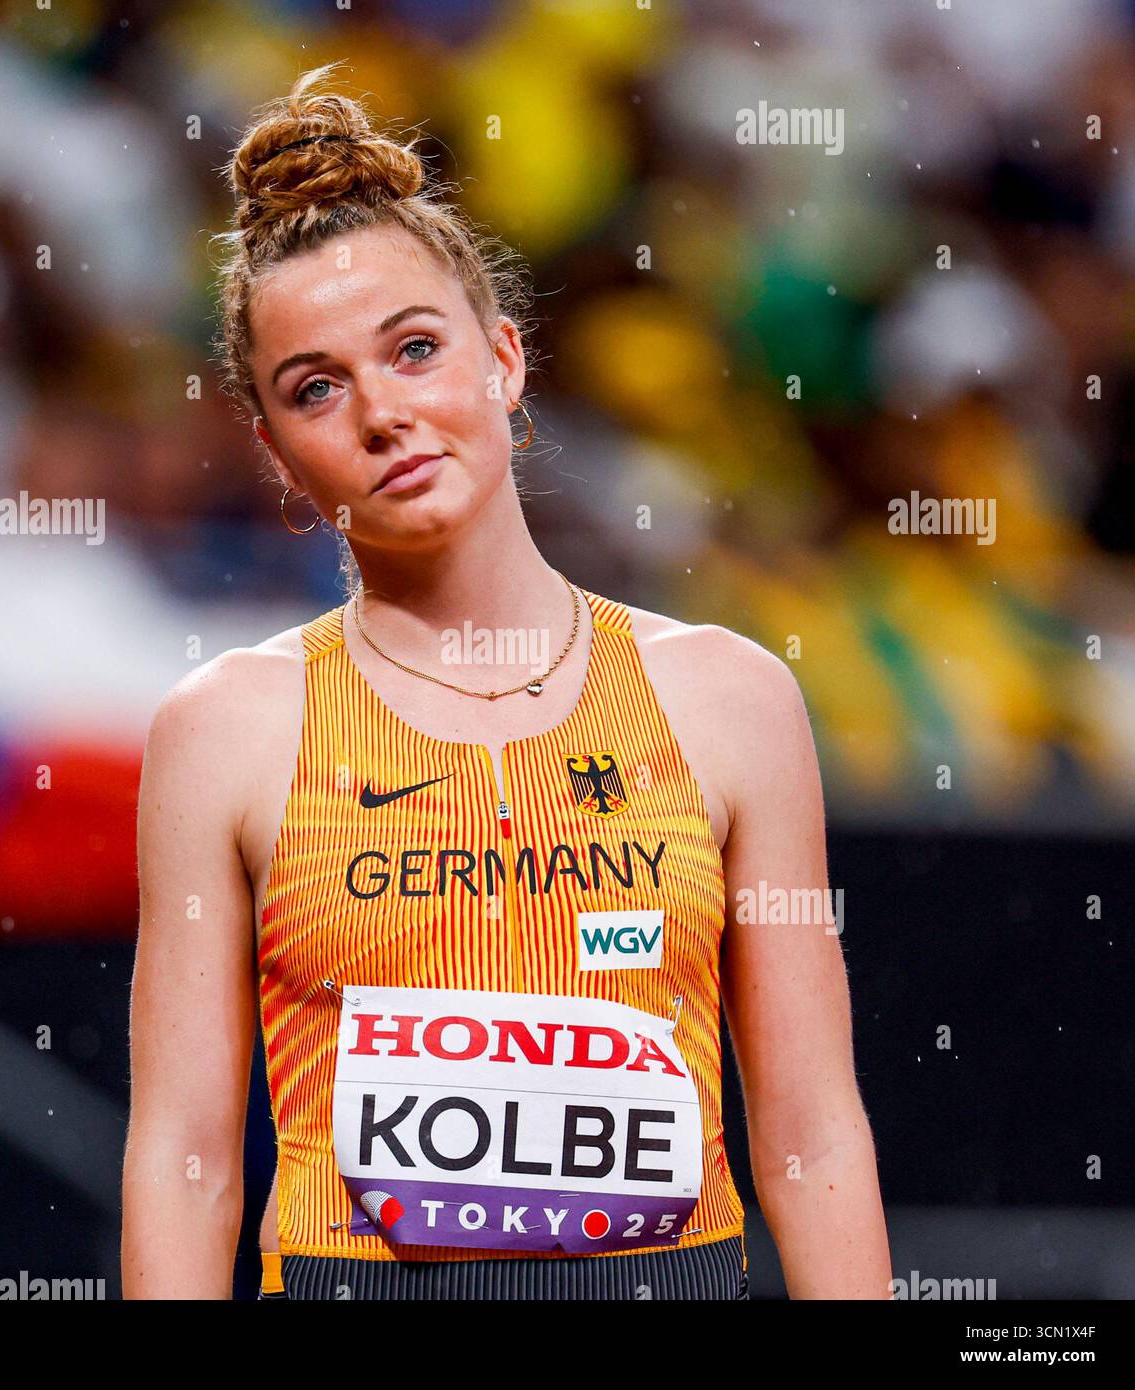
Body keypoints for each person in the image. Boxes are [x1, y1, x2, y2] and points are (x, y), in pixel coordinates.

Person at [120, 62, 892, 1300]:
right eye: (315, 386)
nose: (381, 411)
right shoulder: (225, 730)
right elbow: (186, 1162)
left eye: (414, 350)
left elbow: (808, 1137)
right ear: (275, 450)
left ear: (504, 360)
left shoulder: (729, 699)